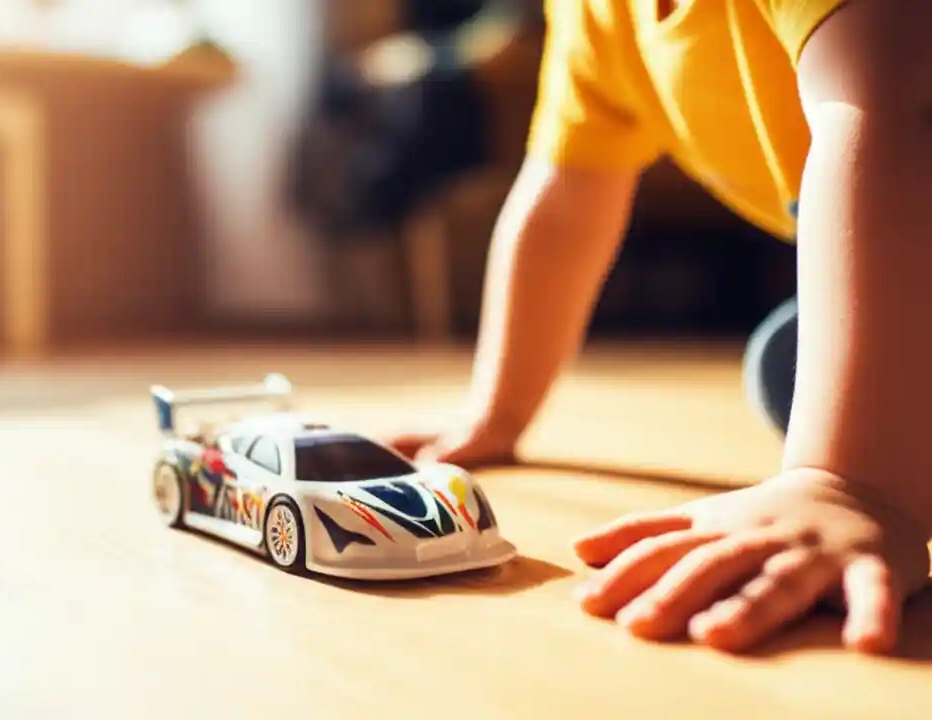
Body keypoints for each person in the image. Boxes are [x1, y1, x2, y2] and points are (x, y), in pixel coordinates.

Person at [393, 0, 932, 655]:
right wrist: (496, 412)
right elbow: (564, 202)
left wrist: (850, 484)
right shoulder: (597, 14)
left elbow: (893, 114)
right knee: (789, 368)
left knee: (858, 412)